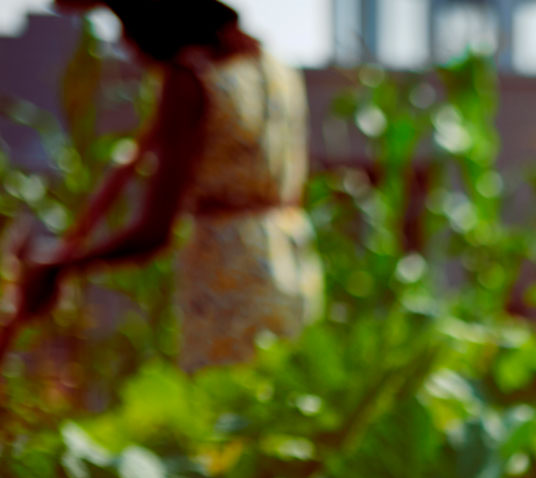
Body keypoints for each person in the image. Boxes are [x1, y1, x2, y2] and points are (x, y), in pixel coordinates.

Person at [24, 1, 321, 372]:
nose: (125, 40)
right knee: (275, 402)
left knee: (223, 409)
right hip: (289, 259)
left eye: (127, 20)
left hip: (229, 274)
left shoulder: (189, 82)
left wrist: (60, 266)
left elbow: (155, 231)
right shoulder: (274, 67)